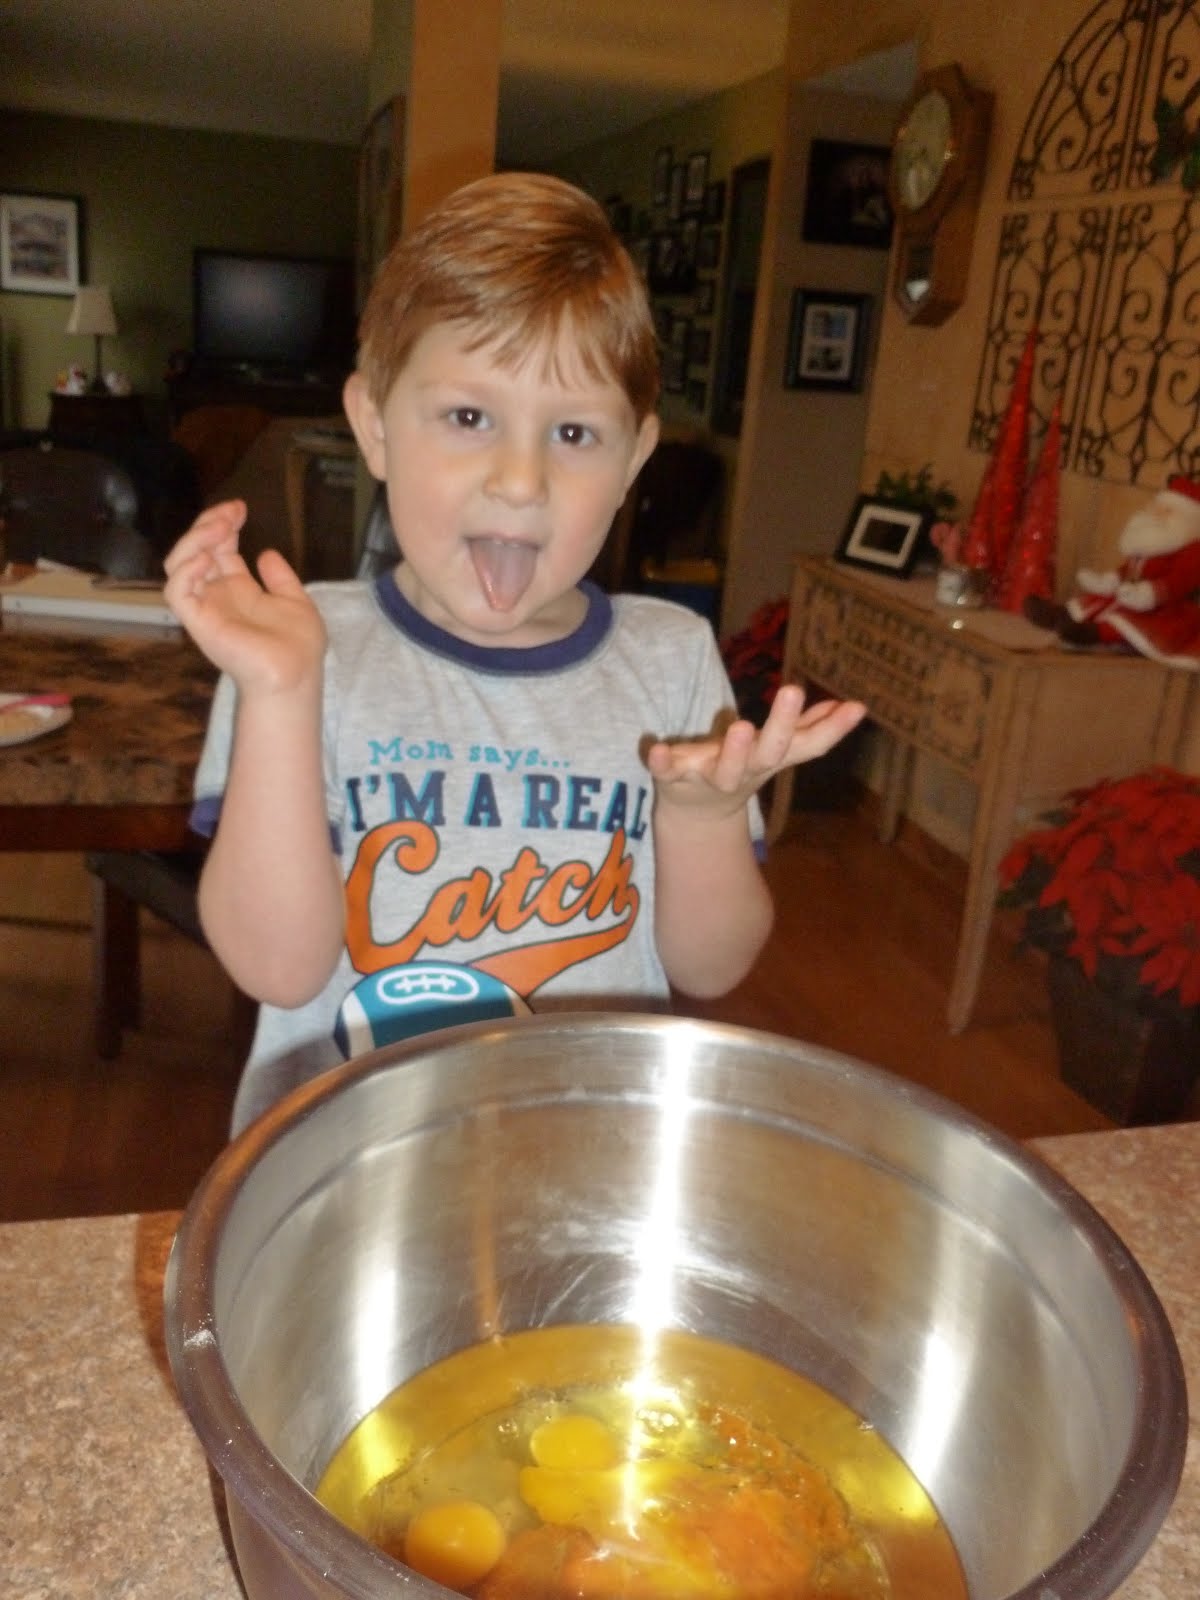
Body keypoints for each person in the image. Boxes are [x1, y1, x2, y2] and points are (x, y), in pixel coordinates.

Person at [164, 172, 866, 1134]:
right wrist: (282, 694)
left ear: (632, 460)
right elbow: (276, 968)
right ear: (374, 425)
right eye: (468, 417)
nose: (521, 478)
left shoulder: (672, 662)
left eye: (574, 432)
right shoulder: (297, 650)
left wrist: (702, 817)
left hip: (588, 1155)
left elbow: (712, 968)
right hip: (343, 1169)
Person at [1025, 474, 1200, 667]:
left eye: (1166, 511)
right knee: (1098, 601)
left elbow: (1179, 582)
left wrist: (1150, 593)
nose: (1155, 513)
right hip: (1130, 595)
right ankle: (1061, 615)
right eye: (1157, 507)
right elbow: (1127, 569)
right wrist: (1110, 579)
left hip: (1162, 609)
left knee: (1125, 620)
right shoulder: (1153, 545)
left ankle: (1093, 634)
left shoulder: (1192, 551)